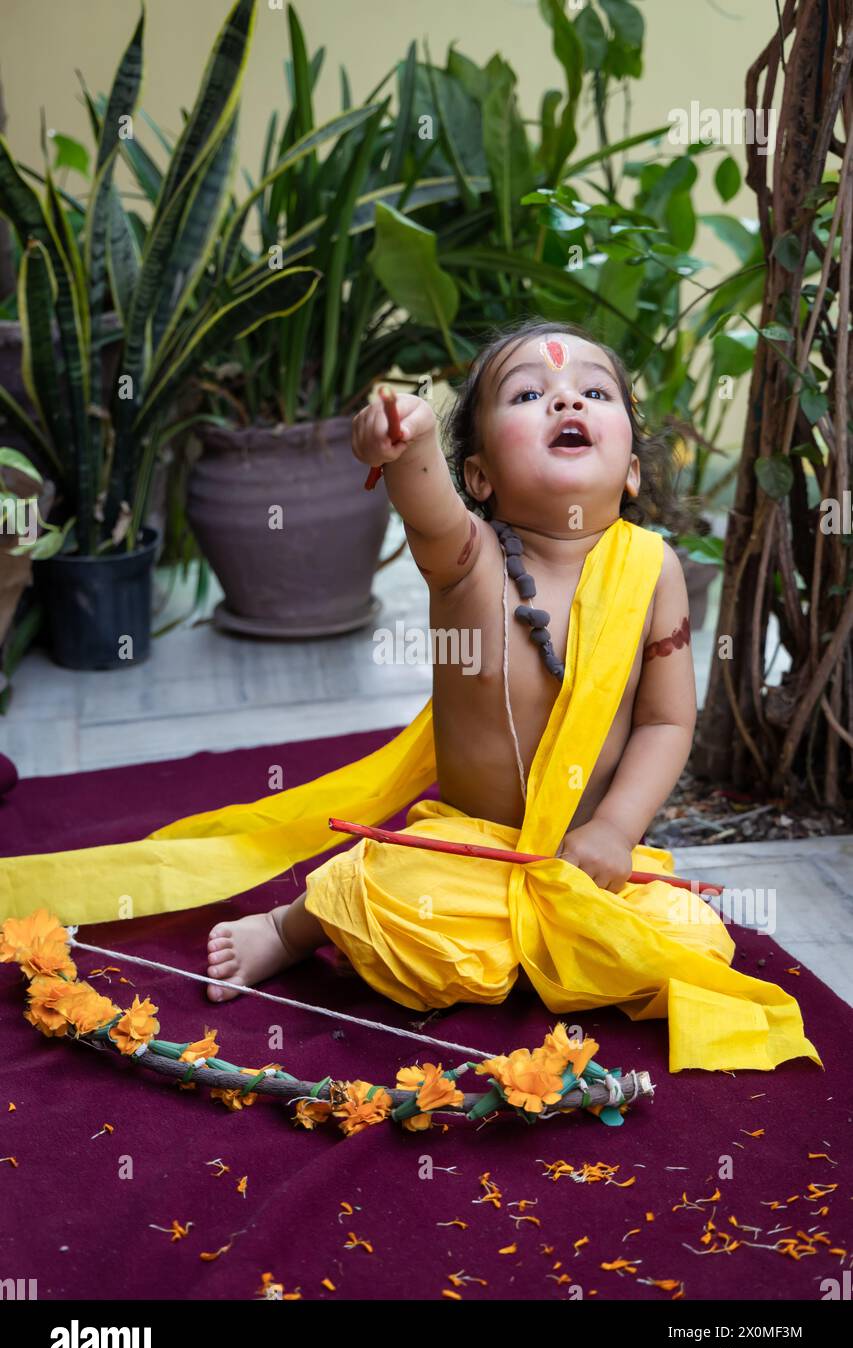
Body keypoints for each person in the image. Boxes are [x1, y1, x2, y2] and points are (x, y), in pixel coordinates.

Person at [201, 319, 819, 1075]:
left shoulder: (651, 569)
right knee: (385, 890)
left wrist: (617, 831)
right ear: (481, 476)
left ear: (630, 469)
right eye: (528, 393)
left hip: (582, 862)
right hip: (468, 852)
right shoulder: (468, 561)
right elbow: (425, 500)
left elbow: (665, 720)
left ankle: (542, 942)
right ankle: (288, 928)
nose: (566, 402)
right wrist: (410, 439)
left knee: (691, 935)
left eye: (594, 392)